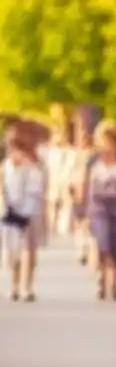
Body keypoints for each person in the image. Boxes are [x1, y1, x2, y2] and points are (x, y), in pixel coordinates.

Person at [84, 121, 116, 301]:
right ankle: (106, 282)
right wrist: (85, 213)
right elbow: (86, 186)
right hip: (100, 208)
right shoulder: (94, 160)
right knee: (103, 244)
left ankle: (115, 282)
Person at [0, 121, 48, 302]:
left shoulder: (34, 163)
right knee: (16, 250)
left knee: (27, 249)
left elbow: (40, 188)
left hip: (28, 211)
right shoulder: (7, 164)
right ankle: (17, 285)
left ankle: (24, 286)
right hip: (12, 211)